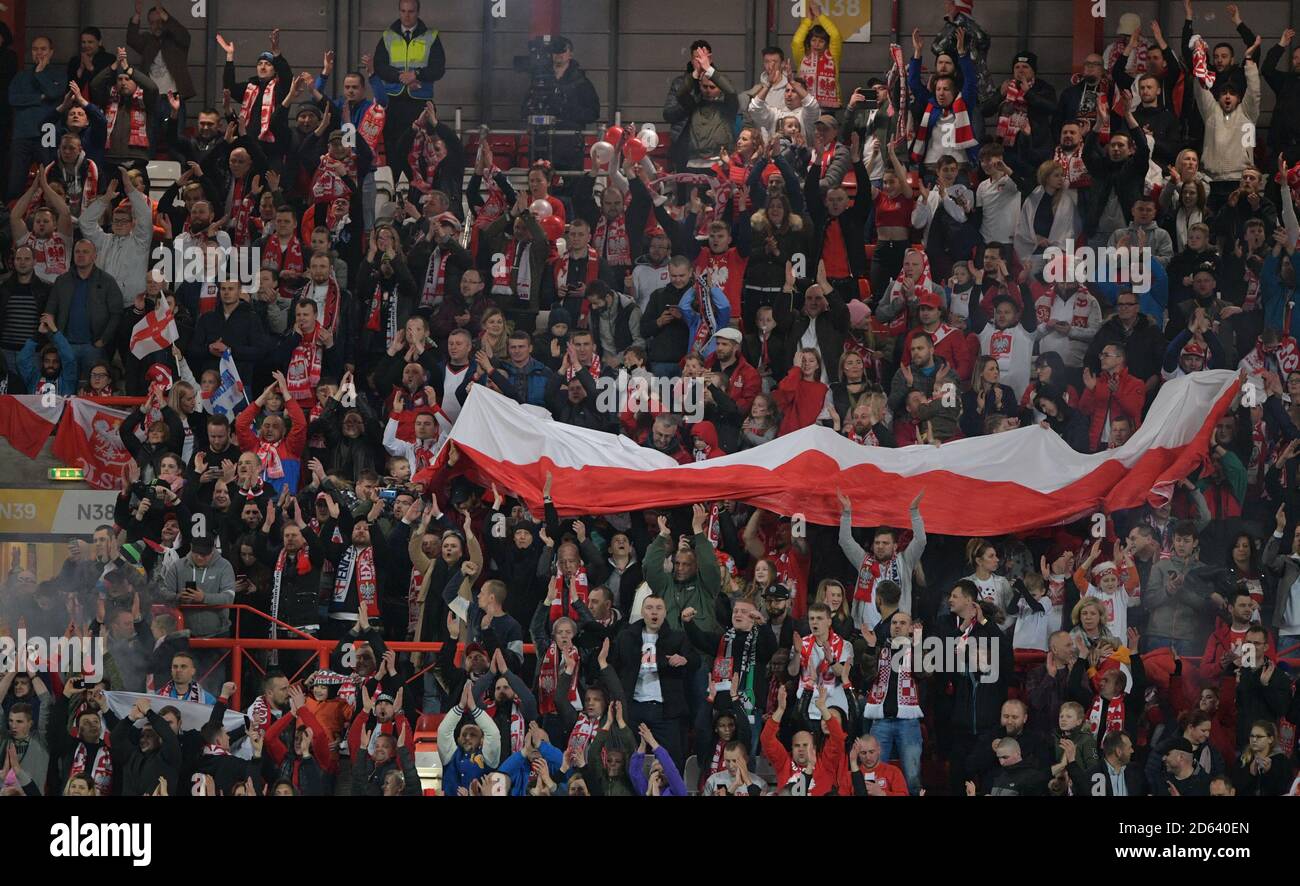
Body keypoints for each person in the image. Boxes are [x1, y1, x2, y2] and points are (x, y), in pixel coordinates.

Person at [373, 0, 446, 182]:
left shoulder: (431, 36)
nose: (407, 15)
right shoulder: (388, 36)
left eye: (411, 11)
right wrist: (400, 76)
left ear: (418, 12)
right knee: (393, 149)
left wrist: (417, 75)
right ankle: (394, 189)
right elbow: (379, 66)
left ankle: (420, 192)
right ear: (399, 11)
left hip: (420, 104)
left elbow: (439, 68)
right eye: (403, 11)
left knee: (421, 150)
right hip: (393, 103)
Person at [7, 35, 66, 200]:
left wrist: (40, 73)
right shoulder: (21, 76)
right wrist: (38, 98)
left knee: (50, 177)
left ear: (51, 52)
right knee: (16, 181)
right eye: (35, 49)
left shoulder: (58, 74)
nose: (39, 53)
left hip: (47, 133)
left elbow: (54, 92)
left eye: (43, 49)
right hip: (22, 134)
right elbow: (13, 99)